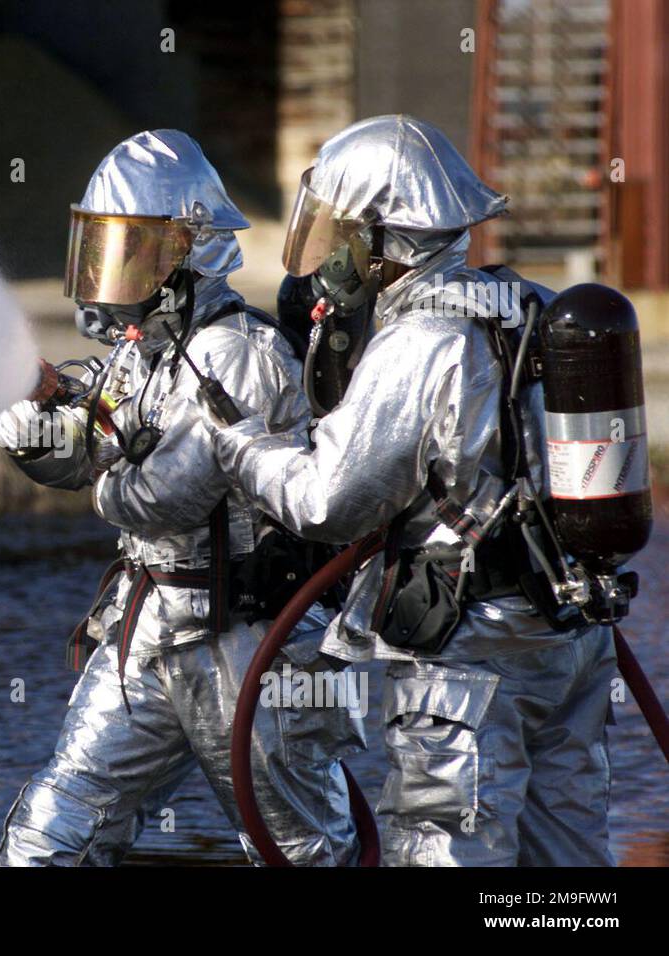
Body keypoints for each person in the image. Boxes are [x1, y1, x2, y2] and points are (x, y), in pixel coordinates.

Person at [208, 114, 616, 866]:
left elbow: (327, 503)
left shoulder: (418, 342)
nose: (326, 258)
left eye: (341, 234)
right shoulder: (522, 301)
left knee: (443, 848)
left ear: (383, 240)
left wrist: (243, 448)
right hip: (568, 639)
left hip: (465, 662)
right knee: (565, 857)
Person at [0, 129, 362, 867]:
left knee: (299, 851)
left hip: (248, 641)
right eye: (105, 246)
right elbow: (88, 444)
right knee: (55, 825)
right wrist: (32, 421)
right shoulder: (141, 350)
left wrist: (100, 470)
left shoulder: (240, 354)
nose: (113, 269)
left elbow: (164, 497)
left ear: (186, 248)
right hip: (148, 630)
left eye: (132, 247)